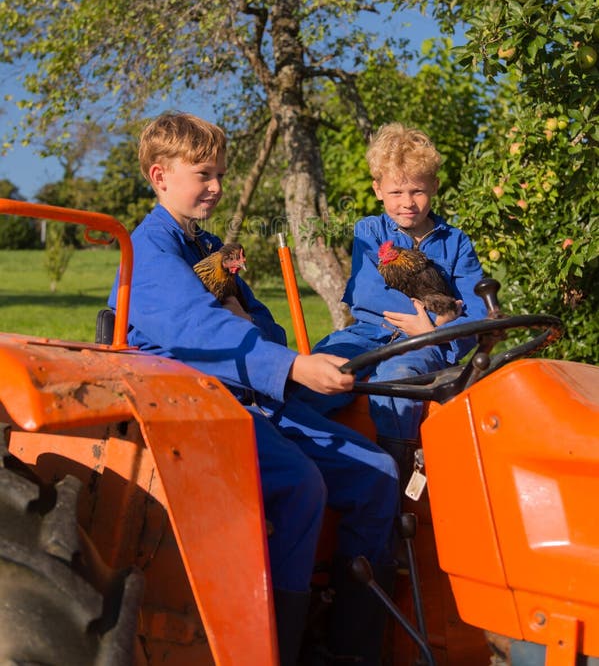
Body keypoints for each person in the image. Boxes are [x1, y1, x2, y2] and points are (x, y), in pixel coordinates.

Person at [108, 112, 400, 666]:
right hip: (190, 403)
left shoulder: (208, 245)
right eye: (203, 175)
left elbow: (266, 328)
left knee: (377, 474)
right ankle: (278, 650)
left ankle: (351, 650)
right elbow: (198, 330)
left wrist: (262, 335)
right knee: (301, 486)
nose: (217, 187)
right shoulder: (148, 252)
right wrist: (291, 366)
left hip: (248, 390)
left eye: (220, 173)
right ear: (160, 175)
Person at [300, 123, 486, 476]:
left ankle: (393, 472)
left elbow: (477, 312)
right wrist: (440, 315)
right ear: (378, 190)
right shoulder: (369, 232)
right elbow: (371, 294)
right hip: (367, 334)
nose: (407, 202)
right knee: (319, 372)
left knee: (400, 378)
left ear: (434, 186)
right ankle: (310, 454)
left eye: (417, 190)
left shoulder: (456, 242)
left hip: (425, 342)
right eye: (397, 191)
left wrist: (435, 332)